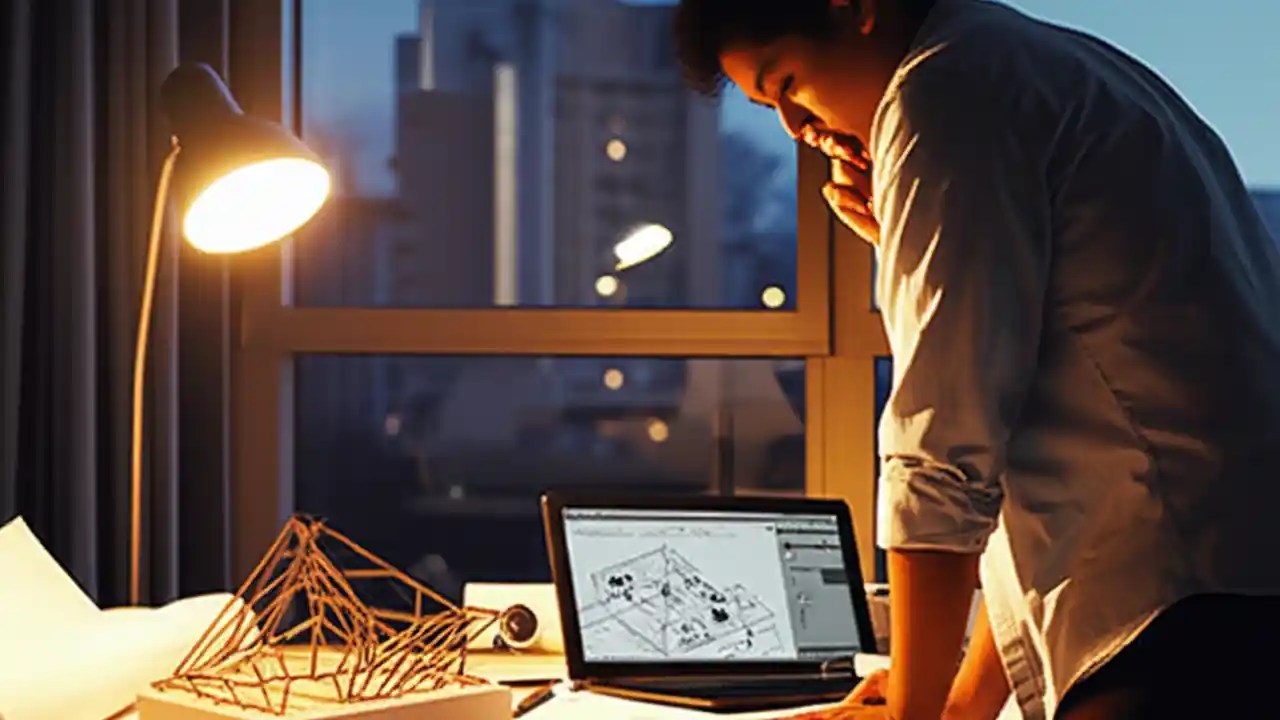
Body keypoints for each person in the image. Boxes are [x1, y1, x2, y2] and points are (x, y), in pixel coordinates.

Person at [673, 1, 1280, 718]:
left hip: (1177, 629)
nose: (797, 131)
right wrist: (955, 705)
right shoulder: (1050, 68)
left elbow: (941, 460)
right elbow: (1042, 477)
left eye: (788, 85)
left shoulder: (942, 92)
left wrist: (911, 715)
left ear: (854, 8)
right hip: (1220, 603)